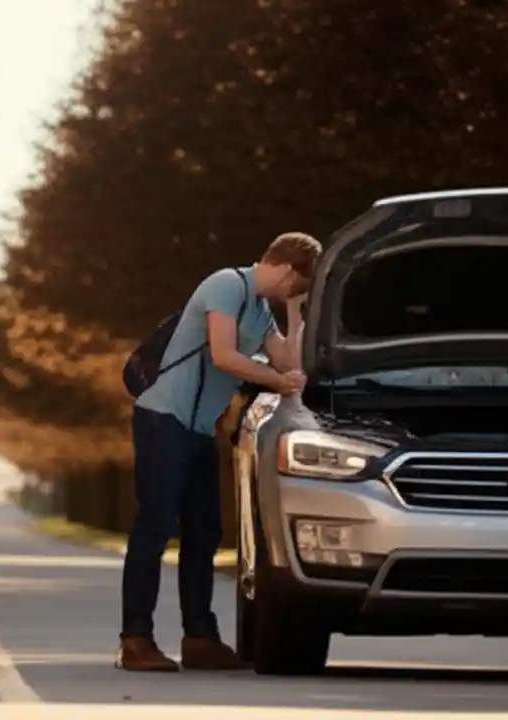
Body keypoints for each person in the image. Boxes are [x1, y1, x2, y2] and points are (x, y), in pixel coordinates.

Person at [118, 232, 322, 672]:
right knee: (154, 527)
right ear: (288, 271)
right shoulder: (226, 286)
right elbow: (224, 356)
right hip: (163, 421)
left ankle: (200, 638)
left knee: (205, 532)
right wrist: (275, 382)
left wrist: (293, 310)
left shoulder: (261, 311)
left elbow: (290, 364)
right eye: (299, 287)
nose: (296, 293)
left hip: (196, 430)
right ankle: (136, 639)